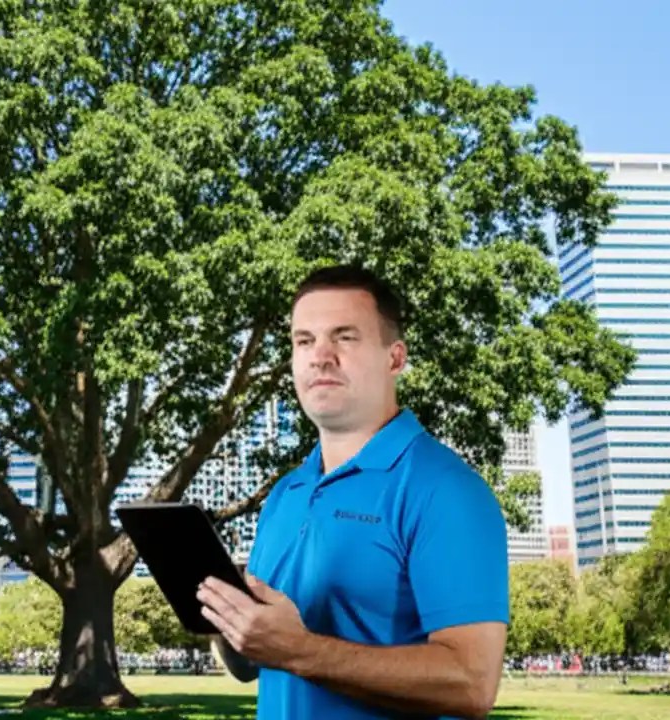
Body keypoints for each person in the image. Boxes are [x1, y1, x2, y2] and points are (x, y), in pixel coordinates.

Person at [198, 264, 510, 719]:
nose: (320, 356)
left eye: (344, 337)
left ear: (395, 358)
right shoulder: (286, 493)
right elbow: (253, 665)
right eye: (304, 341)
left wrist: (299, 650)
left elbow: (471, 683)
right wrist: (227, 620)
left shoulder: (446, 490)